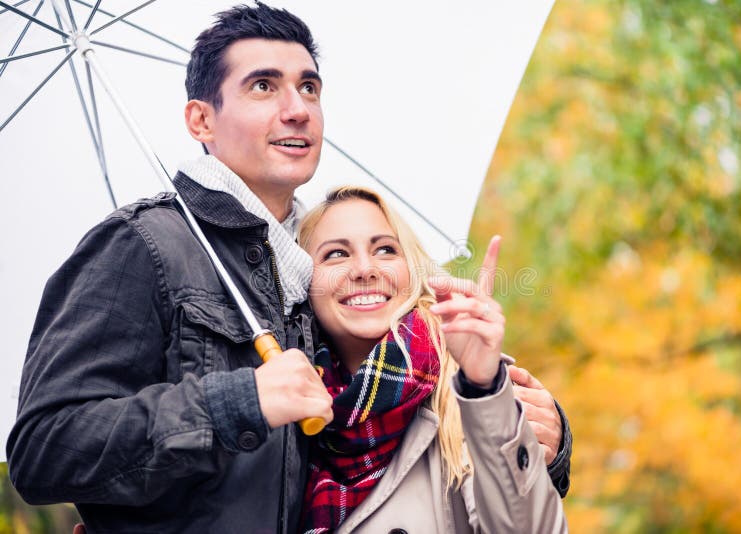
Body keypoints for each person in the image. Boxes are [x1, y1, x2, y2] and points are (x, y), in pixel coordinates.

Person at [6, 3, 570, 533]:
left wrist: (538, 429)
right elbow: (44, 450)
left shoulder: (304, 272)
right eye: (263, 85)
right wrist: (238, 402)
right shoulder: (142, 246)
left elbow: (390, 408)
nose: (297, 108)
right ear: (201, 120)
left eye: (308, 86)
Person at [297, 186, 567, 532]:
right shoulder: (289, 409)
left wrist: (484, 389)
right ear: (305, 278)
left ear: (411, 268)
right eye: (336, 254)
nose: (364, 269)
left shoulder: (466, 396)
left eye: (385, 249)